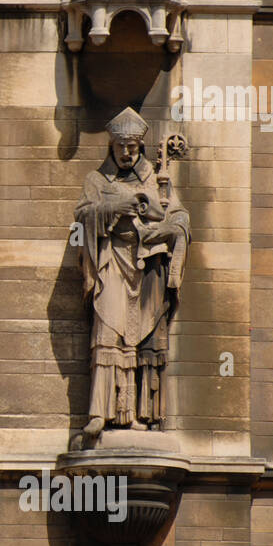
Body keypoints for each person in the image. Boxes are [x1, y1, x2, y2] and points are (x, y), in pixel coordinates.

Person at [74, 107, 189, 443]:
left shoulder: (156, 180)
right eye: (121, 146)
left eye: (133, 147)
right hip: (110, 263)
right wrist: (114, 209)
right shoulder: (96, 180)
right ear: (111, 145)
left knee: (137, 339)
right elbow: (80, 218)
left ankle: (132, 415)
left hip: (145, 266)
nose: (126, 153)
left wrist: (169, 227)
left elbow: (180, 218)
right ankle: (99, 412)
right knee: (107, 332)